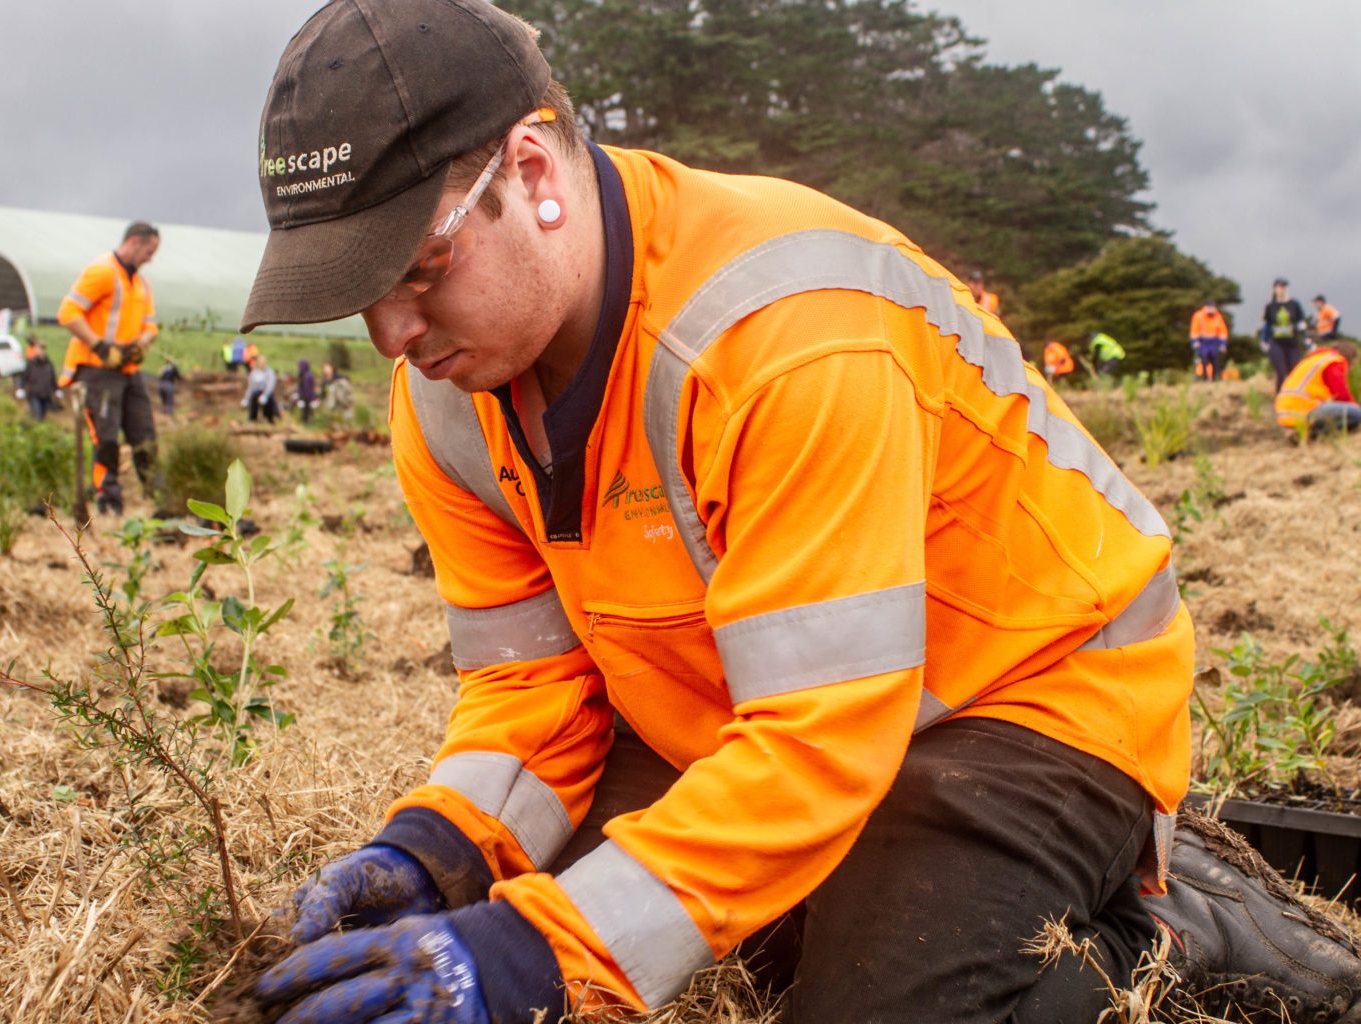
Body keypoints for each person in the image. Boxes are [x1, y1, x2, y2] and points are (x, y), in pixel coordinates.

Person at [238, 4, 1361, 1023]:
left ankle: (1153, 935)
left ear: (529, 169)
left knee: (872, 1001)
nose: (393, 334)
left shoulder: (786, 330)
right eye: (356, 295)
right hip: (759, 708)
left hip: (1028, 693)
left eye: (420, 266)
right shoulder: (446, 398)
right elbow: (532, 681)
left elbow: (823, 731)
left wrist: (539, 954)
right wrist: (438, 852)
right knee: (582, 901)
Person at [56, 221, 161, 516]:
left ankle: (160, 499)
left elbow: (150, 325)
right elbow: (67, 312)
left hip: (127, 370)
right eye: (149, 250)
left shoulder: (142, 284)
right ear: (134, 242)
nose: (150, 258)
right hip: (96, 370)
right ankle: (109, 502)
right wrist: (100, 346)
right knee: (106, 438)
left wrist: (141, 343)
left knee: (145, 435)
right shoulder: (102, 271)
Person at [1275, 339, 1361, 437]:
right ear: (1350, 356)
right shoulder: (1335, 361)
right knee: (1357, 413)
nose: (1352, 367)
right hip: (1305, 410)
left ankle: (1299, 432)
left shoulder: (1315, 359)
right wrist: (1356, 407)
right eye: (1353, 364)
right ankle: (1309, 434)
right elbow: (1342, 395)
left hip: (1285, 414)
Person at [1262, 278, 1306, 389]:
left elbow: (1301, 324)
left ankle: (1293, 399)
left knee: (1294, 372)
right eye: (1279, 287)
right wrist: (1264, 341)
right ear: (1275, 289)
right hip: (1276, 343)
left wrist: (1307, 340)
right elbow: (1267, 326)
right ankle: (1279, 400)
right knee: (1281, 372)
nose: (1282, 289)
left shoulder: (1294, 304)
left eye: (1284, 287)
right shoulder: (1270, 306)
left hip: (1292, 343)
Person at [1188, 301, 1229, 382]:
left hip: (1214, 342)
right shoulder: (1198, 316)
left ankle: (1215, 378)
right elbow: (1194, 330)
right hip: (1202, 342)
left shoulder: (1218, 316)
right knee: (1203, 359)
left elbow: (1223, 332)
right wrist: (1195, 342)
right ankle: (1203, 377)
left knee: (1215, 360)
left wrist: (1222, 344)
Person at [19, 335, 57, 419]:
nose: (40, 351)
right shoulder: (32, 363)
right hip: (34, 393)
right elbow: (24, 375)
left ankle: (39, 430)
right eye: (39, 349)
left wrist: (56, 389)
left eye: (42, 349)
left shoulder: (49, 363)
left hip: (46, 394)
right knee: (37, 415)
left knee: (43, 415)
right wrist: (21, 388)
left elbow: (53, 377)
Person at [242, 353, 279, 422]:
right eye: (260, 362)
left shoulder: (270, 372)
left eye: (263, 362)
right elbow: (250, 387)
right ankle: (253, 419)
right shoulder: (254, 373)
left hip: (266, 393)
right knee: (253, 401)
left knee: (269, 403)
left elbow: (270, 385)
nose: (261, 364)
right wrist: (246, 398)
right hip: (256, 393)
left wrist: (265, 395)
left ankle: (269, 419)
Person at [294, 358, 319, 424]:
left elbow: (307, 389)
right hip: (305, 398)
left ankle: (307, 423)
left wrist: (302, 398)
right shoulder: (303, 375)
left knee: (306, 413)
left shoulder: (307, 376)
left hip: (307, 399)